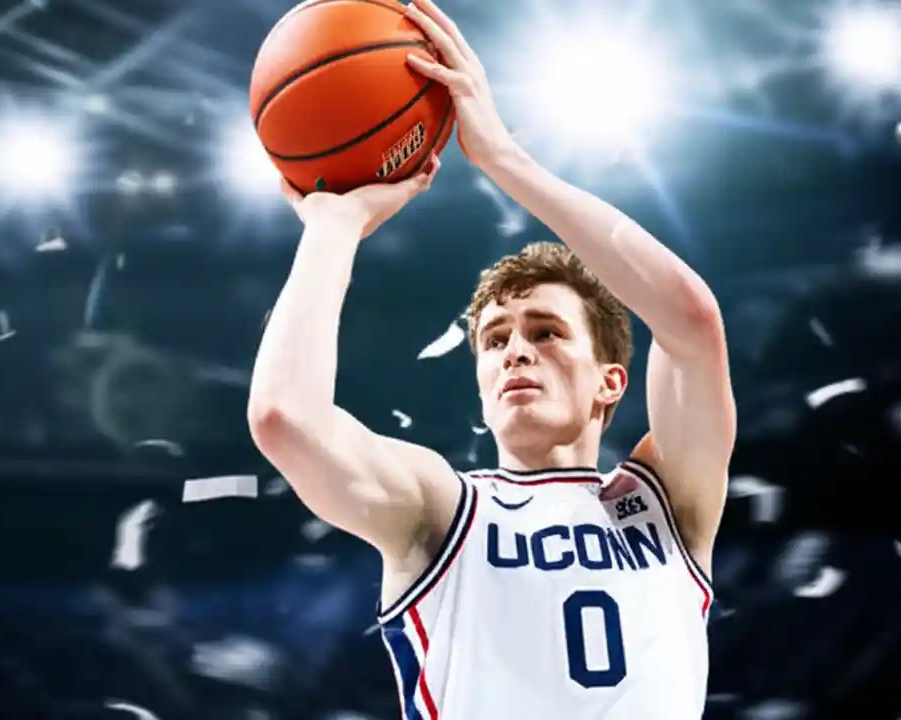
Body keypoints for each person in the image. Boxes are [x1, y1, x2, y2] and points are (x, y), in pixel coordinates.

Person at [246, 0, 736, 717]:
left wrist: (504, 159)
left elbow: (691, 321)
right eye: (496, 339)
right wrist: (334, 225)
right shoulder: (443, 508)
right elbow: (284, 418)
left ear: (611, 382)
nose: (516, 352)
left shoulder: (668, 504)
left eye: (545, 332)